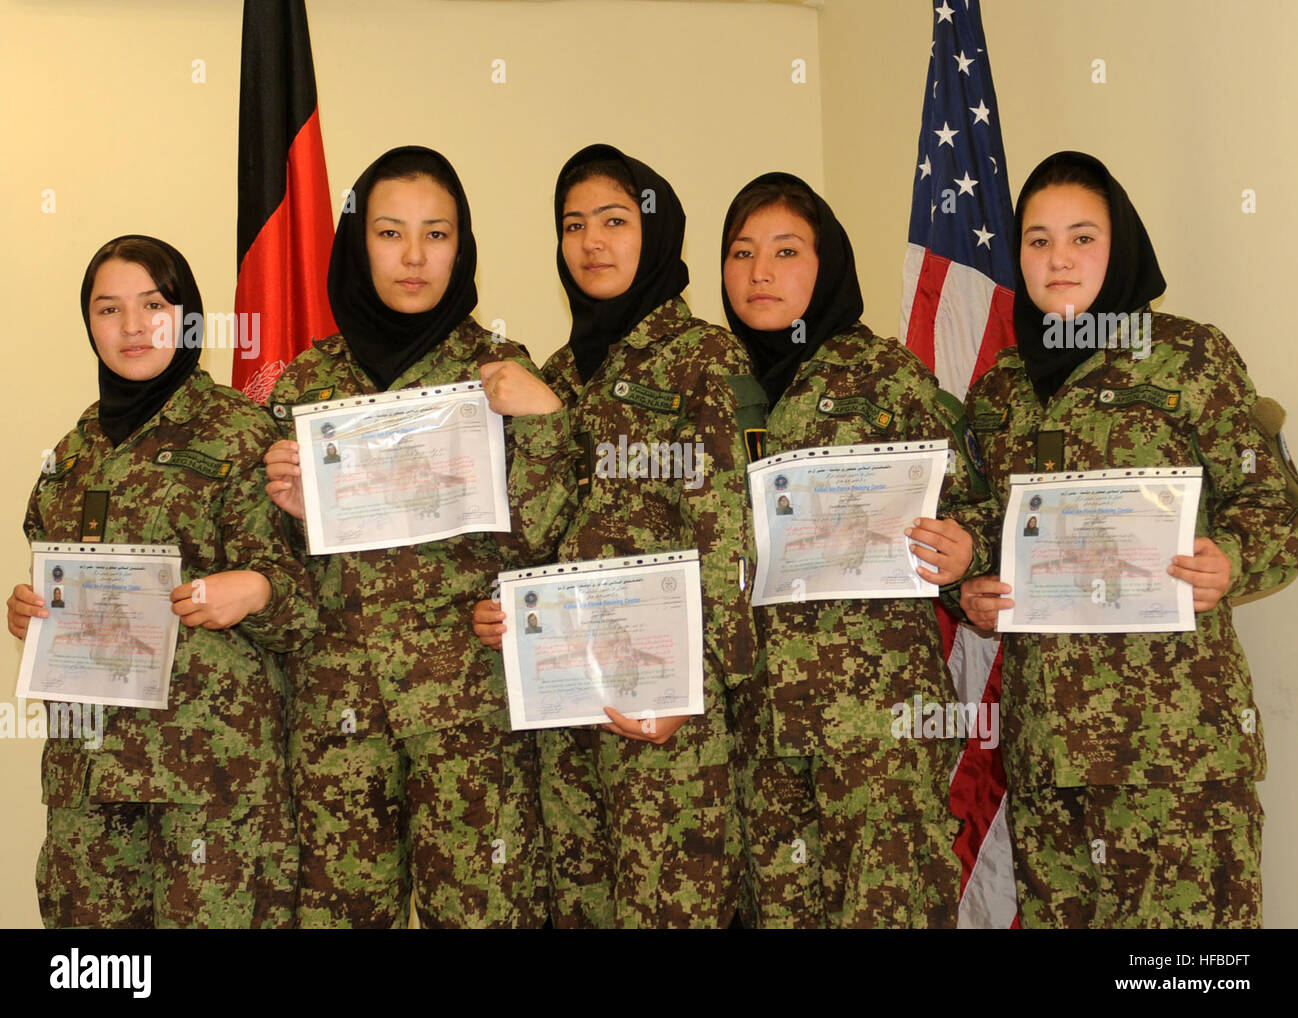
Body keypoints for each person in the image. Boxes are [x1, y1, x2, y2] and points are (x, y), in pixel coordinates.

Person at [958, 151, 1298, 928]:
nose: (1060, 259)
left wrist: (1233, 562)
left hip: (1174, 752)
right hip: (1049, 753)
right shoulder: (1000, 388)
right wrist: (969, 583)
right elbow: (978, 523)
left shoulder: (1189, 355)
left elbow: (1275, 509)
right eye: (1038, 241)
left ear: (1121, 247)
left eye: (1083, 237)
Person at [471, 144, 760, 928]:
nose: (591, 242)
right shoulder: (556, 374)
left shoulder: (706, 358)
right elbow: (530, 530)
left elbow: (733, 534)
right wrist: (500, 603)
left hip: (663, 709)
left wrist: (692, 686)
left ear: (656, 234)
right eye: (573, 225)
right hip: (563, 703)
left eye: (614, 220)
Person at [263, 146, 550, 929]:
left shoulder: (500, 374)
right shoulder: (303, 387)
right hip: (337, 711)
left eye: (438, 233)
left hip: (470, 704)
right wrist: (289, 514)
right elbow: (263, 578)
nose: (415, 257)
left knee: (487, 912)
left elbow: (555, 532)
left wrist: (549, 424)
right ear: (359, 243)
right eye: (391, 234)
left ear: (463, 248)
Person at [6, 235, 316, 928]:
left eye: (153, 305)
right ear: (89, 325)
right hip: (88, 786)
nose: (133, 327)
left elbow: (309, 605)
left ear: (189, 317)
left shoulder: (242, 436)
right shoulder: (73, 450)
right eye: (109, 309)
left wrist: (257, 592)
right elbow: (52, 577)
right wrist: (28, 612)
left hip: (210, 785)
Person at [719, 172, 994, 928]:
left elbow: (972, 512)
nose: (759, 273)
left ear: (828, 263)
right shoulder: (704, 384)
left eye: (785, 251)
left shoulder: (888, 379)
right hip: (745, 727)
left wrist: (963, 554)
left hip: (877, 725)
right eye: (740, 254)